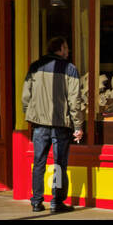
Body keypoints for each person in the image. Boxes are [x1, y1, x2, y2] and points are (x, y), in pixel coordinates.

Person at [22, 35, 86, 213]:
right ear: (60, 49)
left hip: (39, 124)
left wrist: (30, 114)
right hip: (60, 124)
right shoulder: (70, 69)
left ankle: (36, 201)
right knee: (59, 163)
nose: (68, 51)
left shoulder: (35, 66)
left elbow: (26, 95)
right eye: (66, 48)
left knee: (39, 162)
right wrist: (78, 126)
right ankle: (56, 202)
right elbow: (75, 100)